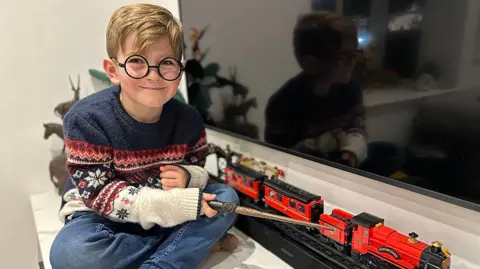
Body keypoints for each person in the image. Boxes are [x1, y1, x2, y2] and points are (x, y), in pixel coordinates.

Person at [49, 4, 239, 269]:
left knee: (226, 197)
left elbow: (198, 166)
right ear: (113, 70)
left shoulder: (189, 118)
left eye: (167, 63)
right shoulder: (85, 119)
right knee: (72, 255)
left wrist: (188, 176)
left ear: (179, 70)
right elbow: (99, 194)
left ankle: (167, 257)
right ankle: (185, 249)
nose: (153, 74)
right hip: (102, 217)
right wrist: (170, 206)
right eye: (137, 61)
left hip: (169, 208)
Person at [264, 11, 368, 168]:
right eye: (344, 57)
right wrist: (318, 144)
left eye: (355, 54)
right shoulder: (282, 105)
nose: (353, 62)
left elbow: (358, 127)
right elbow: (277, 161)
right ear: (311, 63)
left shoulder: (350, 89)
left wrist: (352, 151)